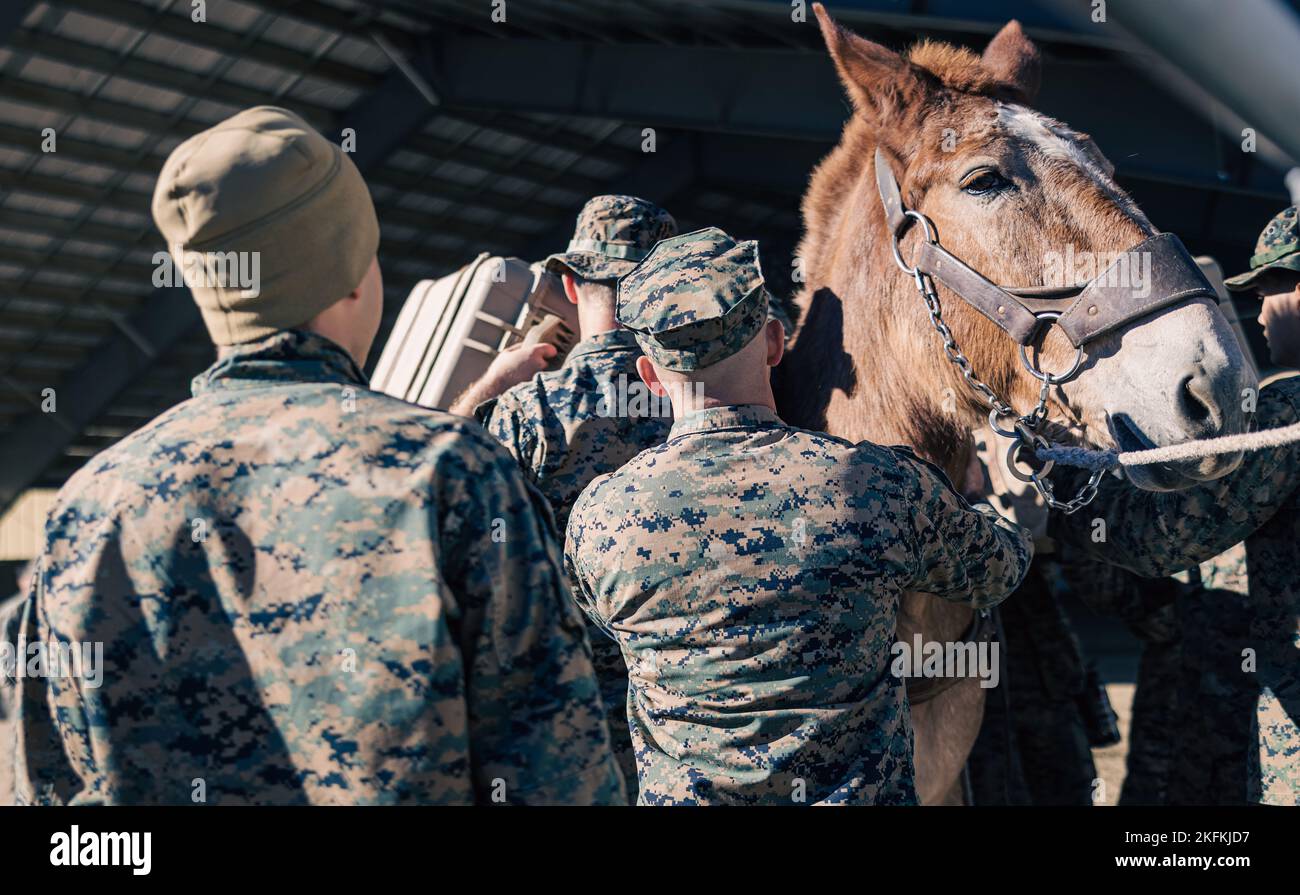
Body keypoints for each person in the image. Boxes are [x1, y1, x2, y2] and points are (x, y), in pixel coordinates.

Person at [11, 106, 622, 806]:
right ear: (356, 275)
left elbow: (56, 806)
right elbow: (560, 777)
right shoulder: (453, 475)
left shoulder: (87, 507)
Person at [564, 227, 1033, 805]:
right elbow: (1000, 570)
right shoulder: (879, 484)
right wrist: (982, 499)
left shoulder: (601, 517)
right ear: (773, 343)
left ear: (651, 377)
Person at [1052, 205, 1300, 805]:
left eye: (1273, 289)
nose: (1259, 311)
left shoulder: (1287, 412)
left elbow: (1159, 539)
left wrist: (1062, 472)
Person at [447, 195, 677, 802]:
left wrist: (492, 385)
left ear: (572, 287)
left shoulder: (531, 410)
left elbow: (440, 490)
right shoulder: (709, 396)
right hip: (691, 714)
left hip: (573, 724)